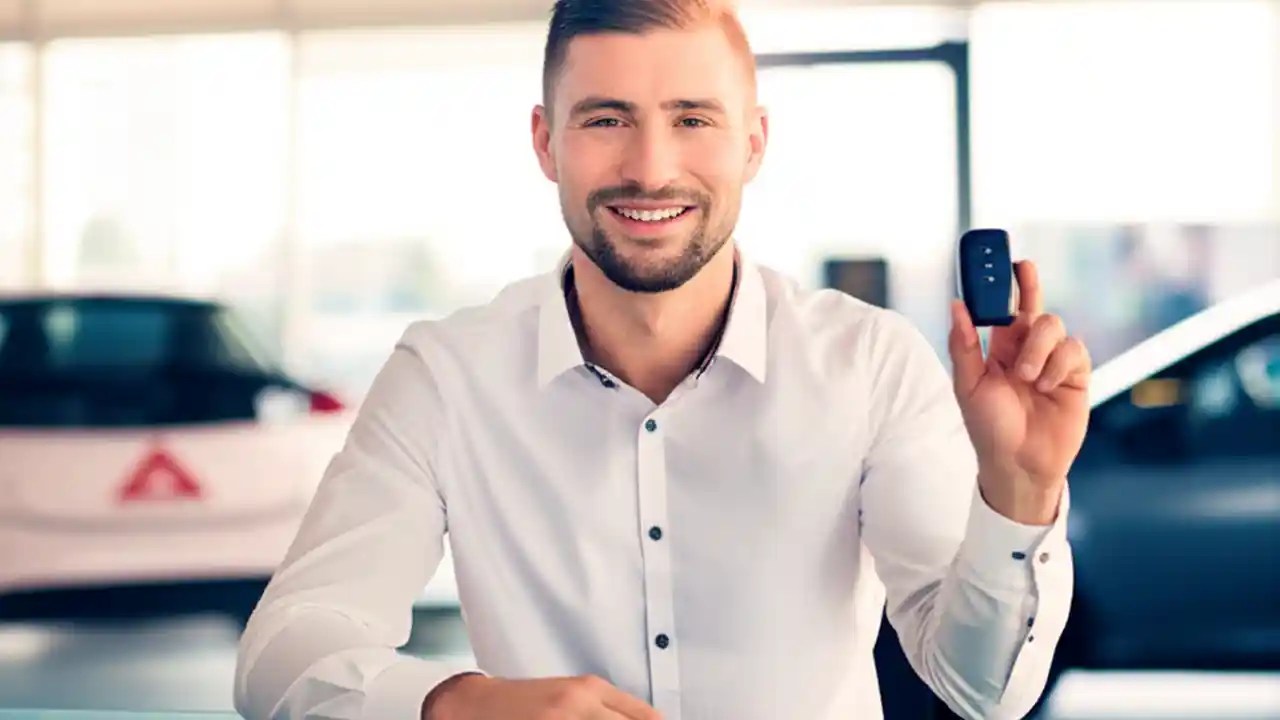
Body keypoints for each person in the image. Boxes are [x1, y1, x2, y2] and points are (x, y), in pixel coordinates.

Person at [233, 1, 1092, 718]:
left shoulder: (869, 366)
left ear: (753, 144)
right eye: (606, 119)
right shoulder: (446, 374)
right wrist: (456, 702)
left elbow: (983, 692)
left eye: (692, 119)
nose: (650, 168)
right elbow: (284, 652)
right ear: (546, 143)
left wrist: (1018, 494)